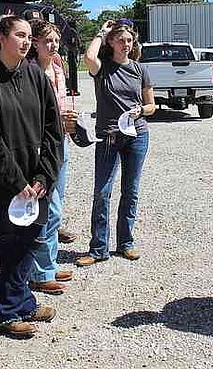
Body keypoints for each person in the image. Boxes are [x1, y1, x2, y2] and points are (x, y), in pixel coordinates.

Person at [0, 15, 63, 338]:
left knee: (31, 240)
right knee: (10, 247)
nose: (25, 41)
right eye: (19, 35)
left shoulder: (35, 75)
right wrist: (17, 182)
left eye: (28, 36)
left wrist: (44, 174)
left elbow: (53, 128)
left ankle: (21, 301)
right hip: (2, 184)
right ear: (1, 39)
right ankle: (2, 312)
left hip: (36, 183)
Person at [75, 20, 155, 267]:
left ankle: (125, 243)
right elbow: (89, 56)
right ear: (110, 42)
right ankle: (98, 248)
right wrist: (101, 32)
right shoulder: (103, 68)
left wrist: (141, 110)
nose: (126, 44)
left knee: (130, 192)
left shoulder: (140, 69)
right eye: (120, 40)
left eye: (129, 40)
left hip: (137, 134)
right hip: (109, 136)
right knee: (102, 193)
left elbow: (151, 106)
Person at [27, 21, 78, 295]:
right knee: (50, 209)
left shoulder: (57, 66)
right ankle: (40, 272)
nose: (53, 45)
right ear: (36, 43)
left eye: (56, 40)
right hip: (42, 146)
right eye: (47, 40)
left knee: (57, 206)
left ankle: (49, 263)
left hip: (62, 142)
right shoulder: (31, 71)